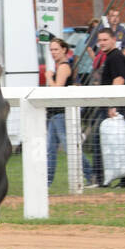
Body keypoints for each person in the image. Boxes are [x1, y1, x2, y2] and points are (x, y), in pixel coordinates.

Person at [87, 27, 125, 187]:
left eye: (105, 39)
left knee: (109, 142)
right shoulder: (110, 56)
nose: (101, 43)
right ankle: (114, 180)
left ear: (114, 40)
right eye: (99, 40)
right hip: (112, 105)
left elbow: (119, 79)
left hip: (115, 107)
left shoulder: (115, 57)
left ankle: (107, 180)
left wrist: (113, 105)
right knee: (111, 143)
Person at [44, 38, 92, 186]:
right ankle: (47, 181)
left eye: (56, 49)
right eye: (51, 49)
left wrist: (48, 77)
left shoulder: (64, 66)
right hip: (55, 113)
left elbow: (57, 89)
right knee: (51, 148)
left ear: (64, 50)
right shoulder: (60, 66)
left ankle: (91, 175)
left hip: (62, 113)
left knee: (69, 146)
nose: (53, 52)